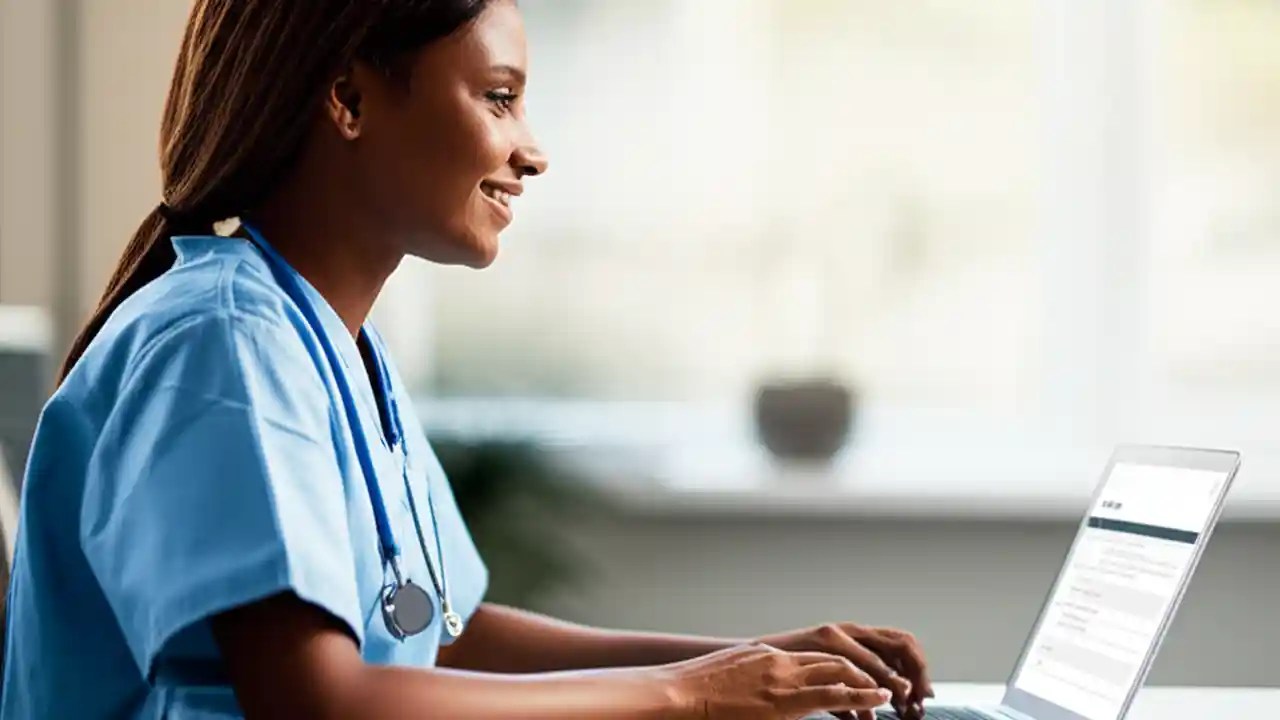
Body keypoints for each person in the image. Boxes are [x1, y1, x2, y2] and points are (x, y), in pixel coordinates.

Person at [0, 1, 933, 718]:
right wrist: (688, 696)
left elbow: (438, 636)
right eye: (499, 97)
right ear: (348, 96)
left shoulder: (330, 344)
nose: (532, 152)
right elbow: (318, 700)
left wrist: (758, 664)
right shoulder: (223, 342)